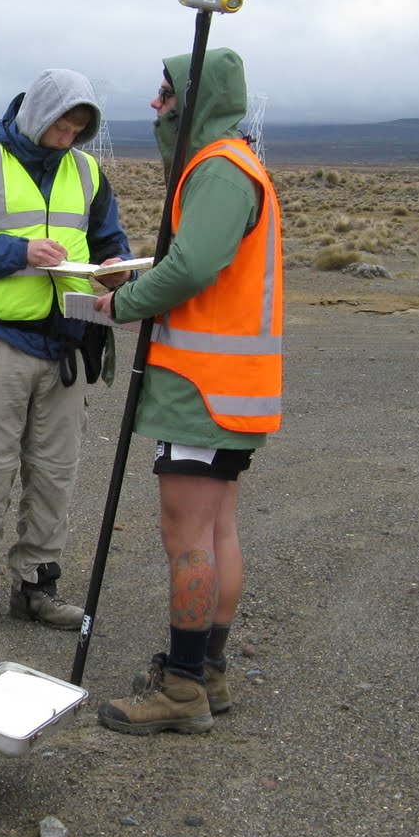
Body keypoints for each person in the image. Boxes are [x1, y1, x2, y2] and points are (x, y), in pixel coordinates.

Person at [90, 48, 282, 735]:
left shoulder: (219, 170)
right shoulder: (234, 165)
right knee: (218, 528)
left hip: (202, 389)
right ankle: (208, 671)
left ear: (196, 99)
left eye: (166, 93)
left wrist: (127, 302)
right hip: (229, 389)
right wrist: (139, 277)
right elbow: (201, 265)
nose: (154, 104)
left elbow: (196, 265)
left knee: (189, 535)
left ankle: (181, 686)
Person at [0, 70, 133, 641]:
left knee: (55, 470)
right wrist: (20, 253)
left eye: (77, 129)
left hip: (68, 340)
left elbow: (110, 239)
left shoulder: (89, 172)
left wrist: (116, 266)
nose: (66, 138)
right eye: (59, 125)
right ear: (36, 115)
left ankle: (38, 586)